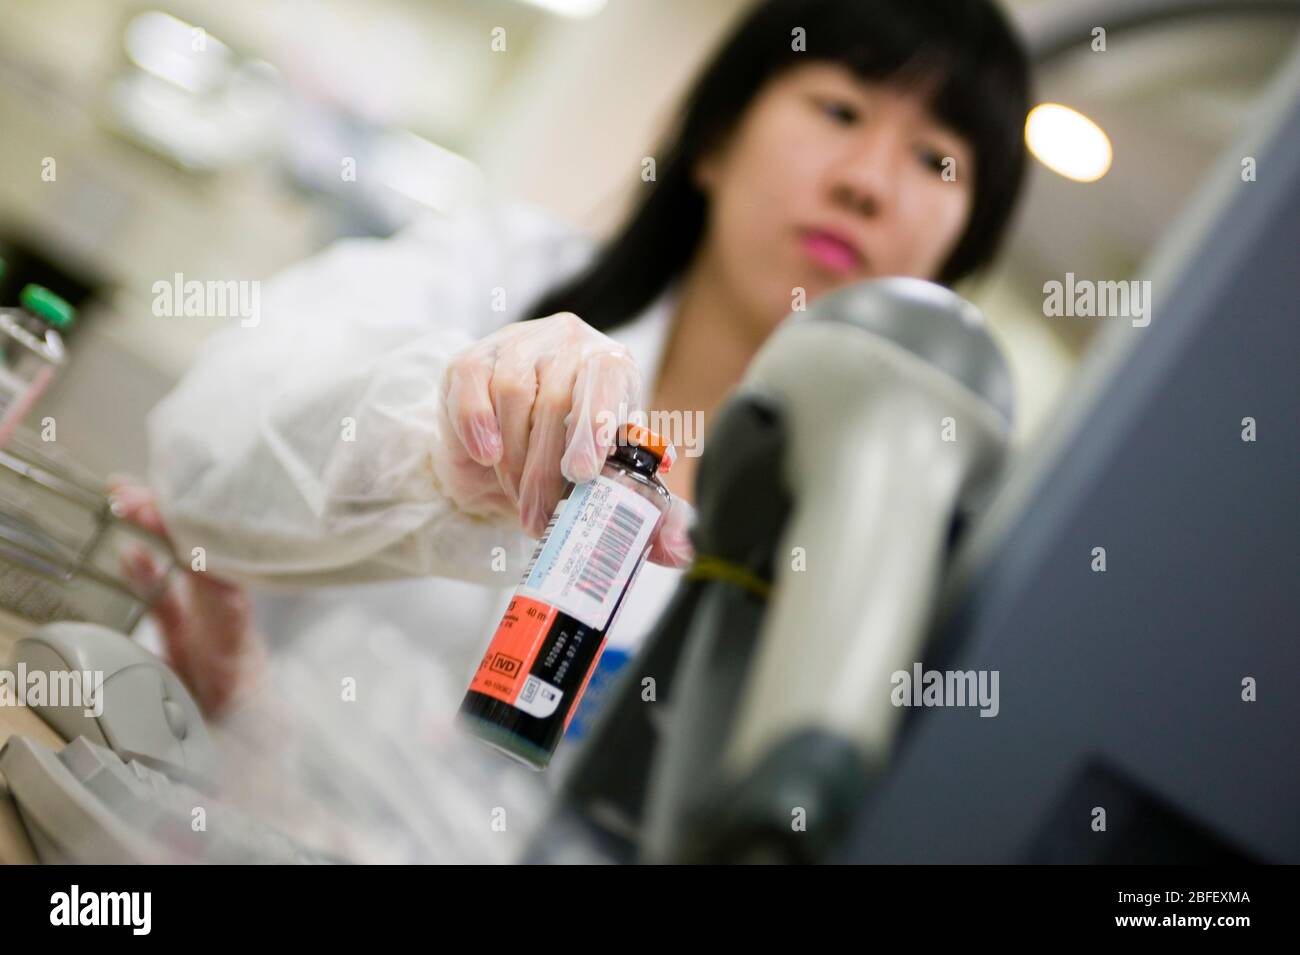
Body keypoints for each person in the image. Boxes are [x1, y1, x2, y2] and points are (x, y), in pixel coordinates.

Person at [128, 0, 1032, 862]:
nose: (867, 182)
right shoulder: (503, 273)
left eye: (937, 161)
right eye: (839, 109)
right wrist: (445, 440)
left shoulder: (888, 556)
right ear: (716, 140)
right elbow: (206, 440)